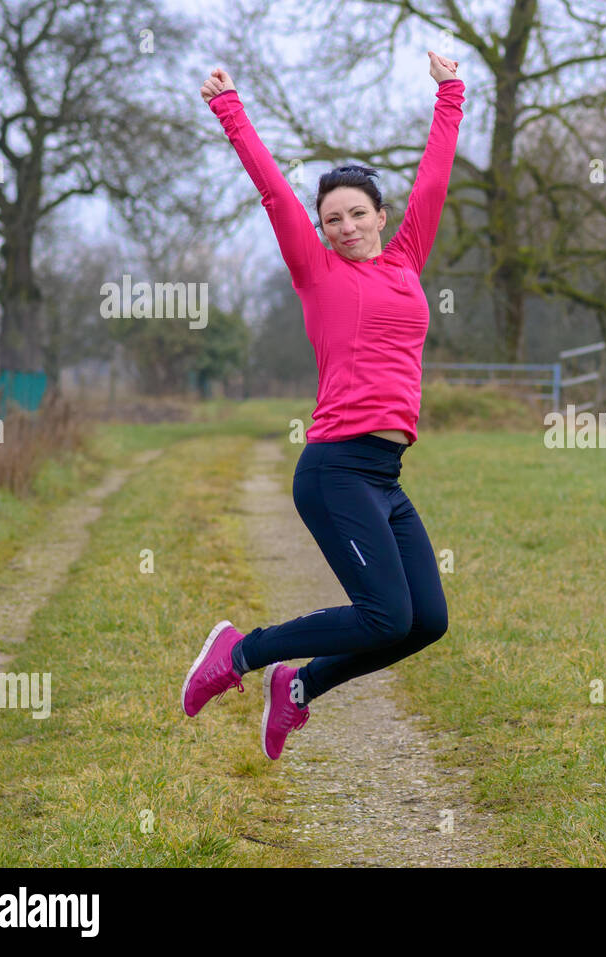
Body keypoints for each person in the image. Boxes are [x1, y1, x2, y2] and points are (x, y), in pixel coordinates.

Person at [181, 53, 465, 760]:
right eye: (331, 218)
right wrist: (230, 108)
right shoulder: (317, 272)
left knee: (424, 619)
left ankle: (299, 688)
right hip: (336, 465)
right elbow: (275, 192)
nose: (343, 227)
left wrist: (451, 92)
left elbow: (434, 179)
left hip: (384, 473)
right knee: (383, 613)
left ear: (380, 216)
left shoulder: (404, 261)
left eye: (355, 214)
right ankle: (241, 651)